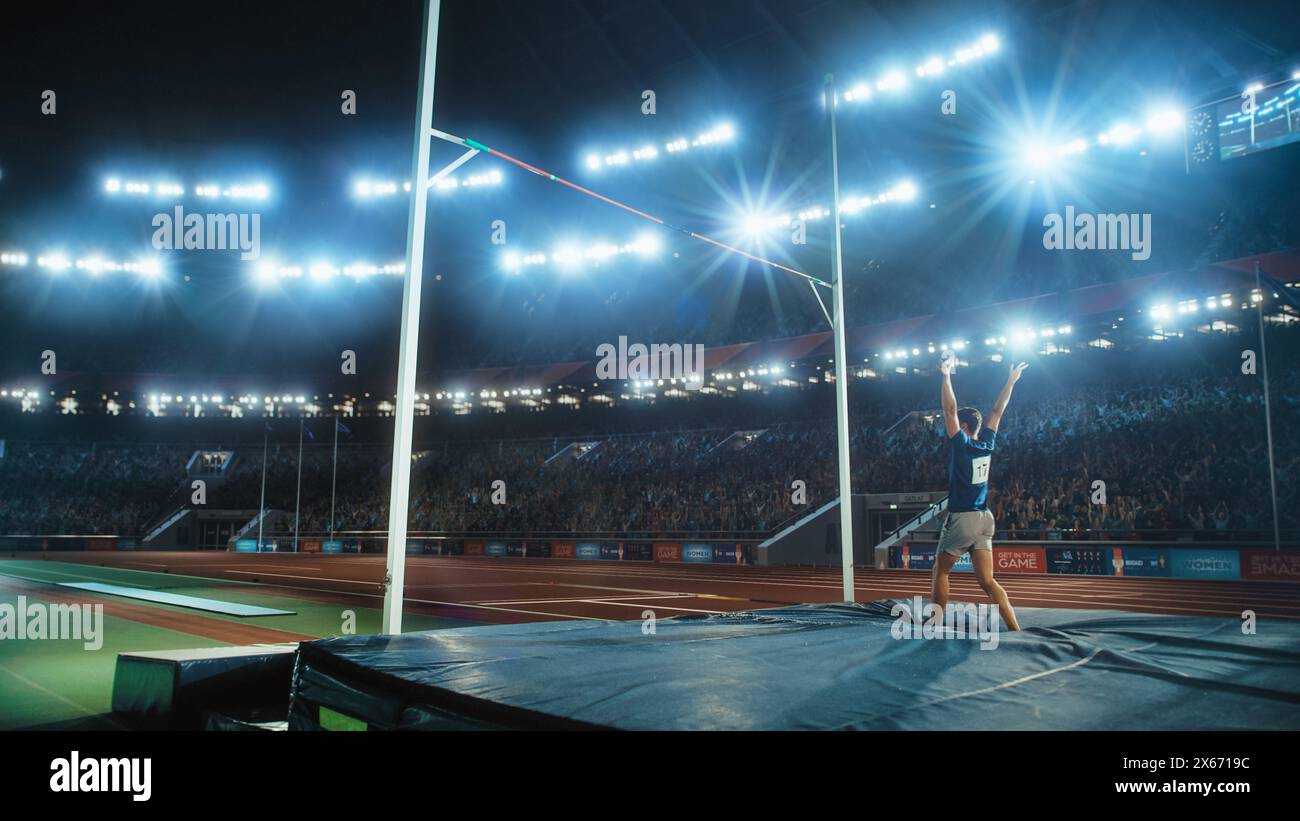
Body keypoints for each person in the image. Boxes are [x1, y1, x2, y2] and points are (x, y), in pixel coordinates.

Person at [931, 356, 1026, 632]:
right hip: (985, 518)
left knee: (942, 569)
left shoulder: (961, 444)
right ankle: (1014, 626)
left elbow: (949, 410)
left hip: (963, 517)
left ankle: (935, 624)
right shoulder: (987, 443)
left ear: (963, 427)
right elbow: (997, 411)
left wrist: (946, 375)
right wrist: (1010, 381)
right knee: (986, 580)